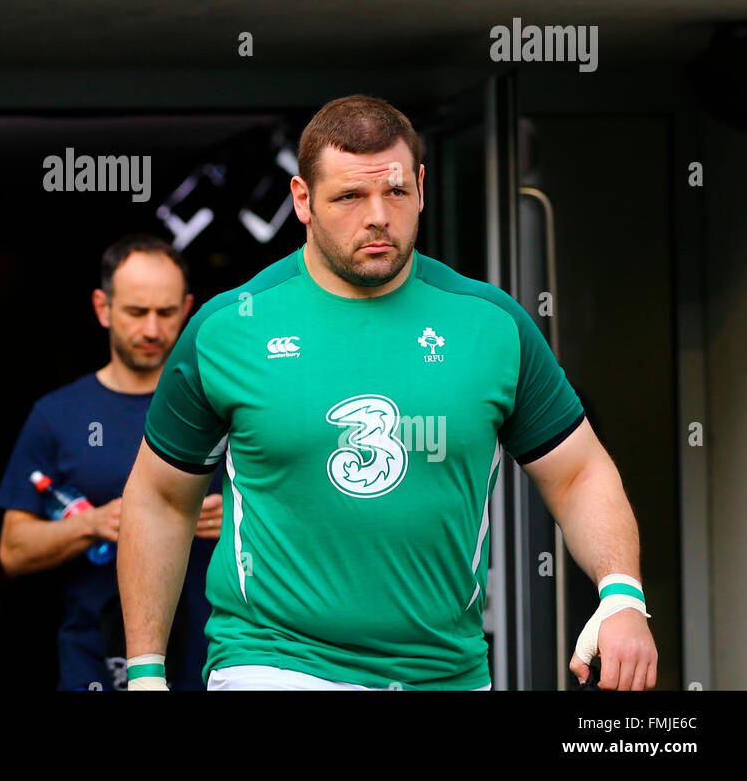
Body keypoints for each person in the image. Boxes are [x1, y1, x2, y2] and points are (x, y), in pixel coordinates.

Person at [117, 94, 658, 692]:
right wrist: (145, 671)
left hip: (448, 673)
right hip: (274, 662)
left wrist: (621, 596)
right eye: (349, 196)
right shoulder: (230, 328)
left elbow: (579, 472)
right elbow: (161, 498)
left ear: (422, 188)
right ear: (302, 200)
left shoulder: (490, 325)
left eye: (395, 192)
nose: (377, 215)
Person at [0, 234, 224, 691]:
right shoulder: (58, 415)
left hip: (215, 660)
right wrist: (94, 523)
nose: (153, 330)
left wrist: (239, 518)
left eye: (166, 312)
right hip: (93, 664)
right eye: (137, 313)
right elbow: (12, 552)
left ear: (187, 308)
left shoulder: (224, 406)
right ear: (103, 308)